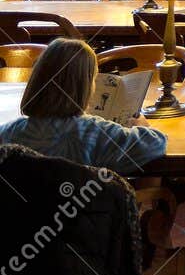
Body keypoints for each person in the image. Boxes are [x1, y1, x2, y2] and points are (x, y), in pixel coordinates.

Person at [0, 39, 166, 175]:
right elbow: (155, 144)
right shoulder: (95, 131)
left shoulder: (9, 132)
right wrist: (143, 127)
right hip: (86, 206)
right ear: (85, 86)